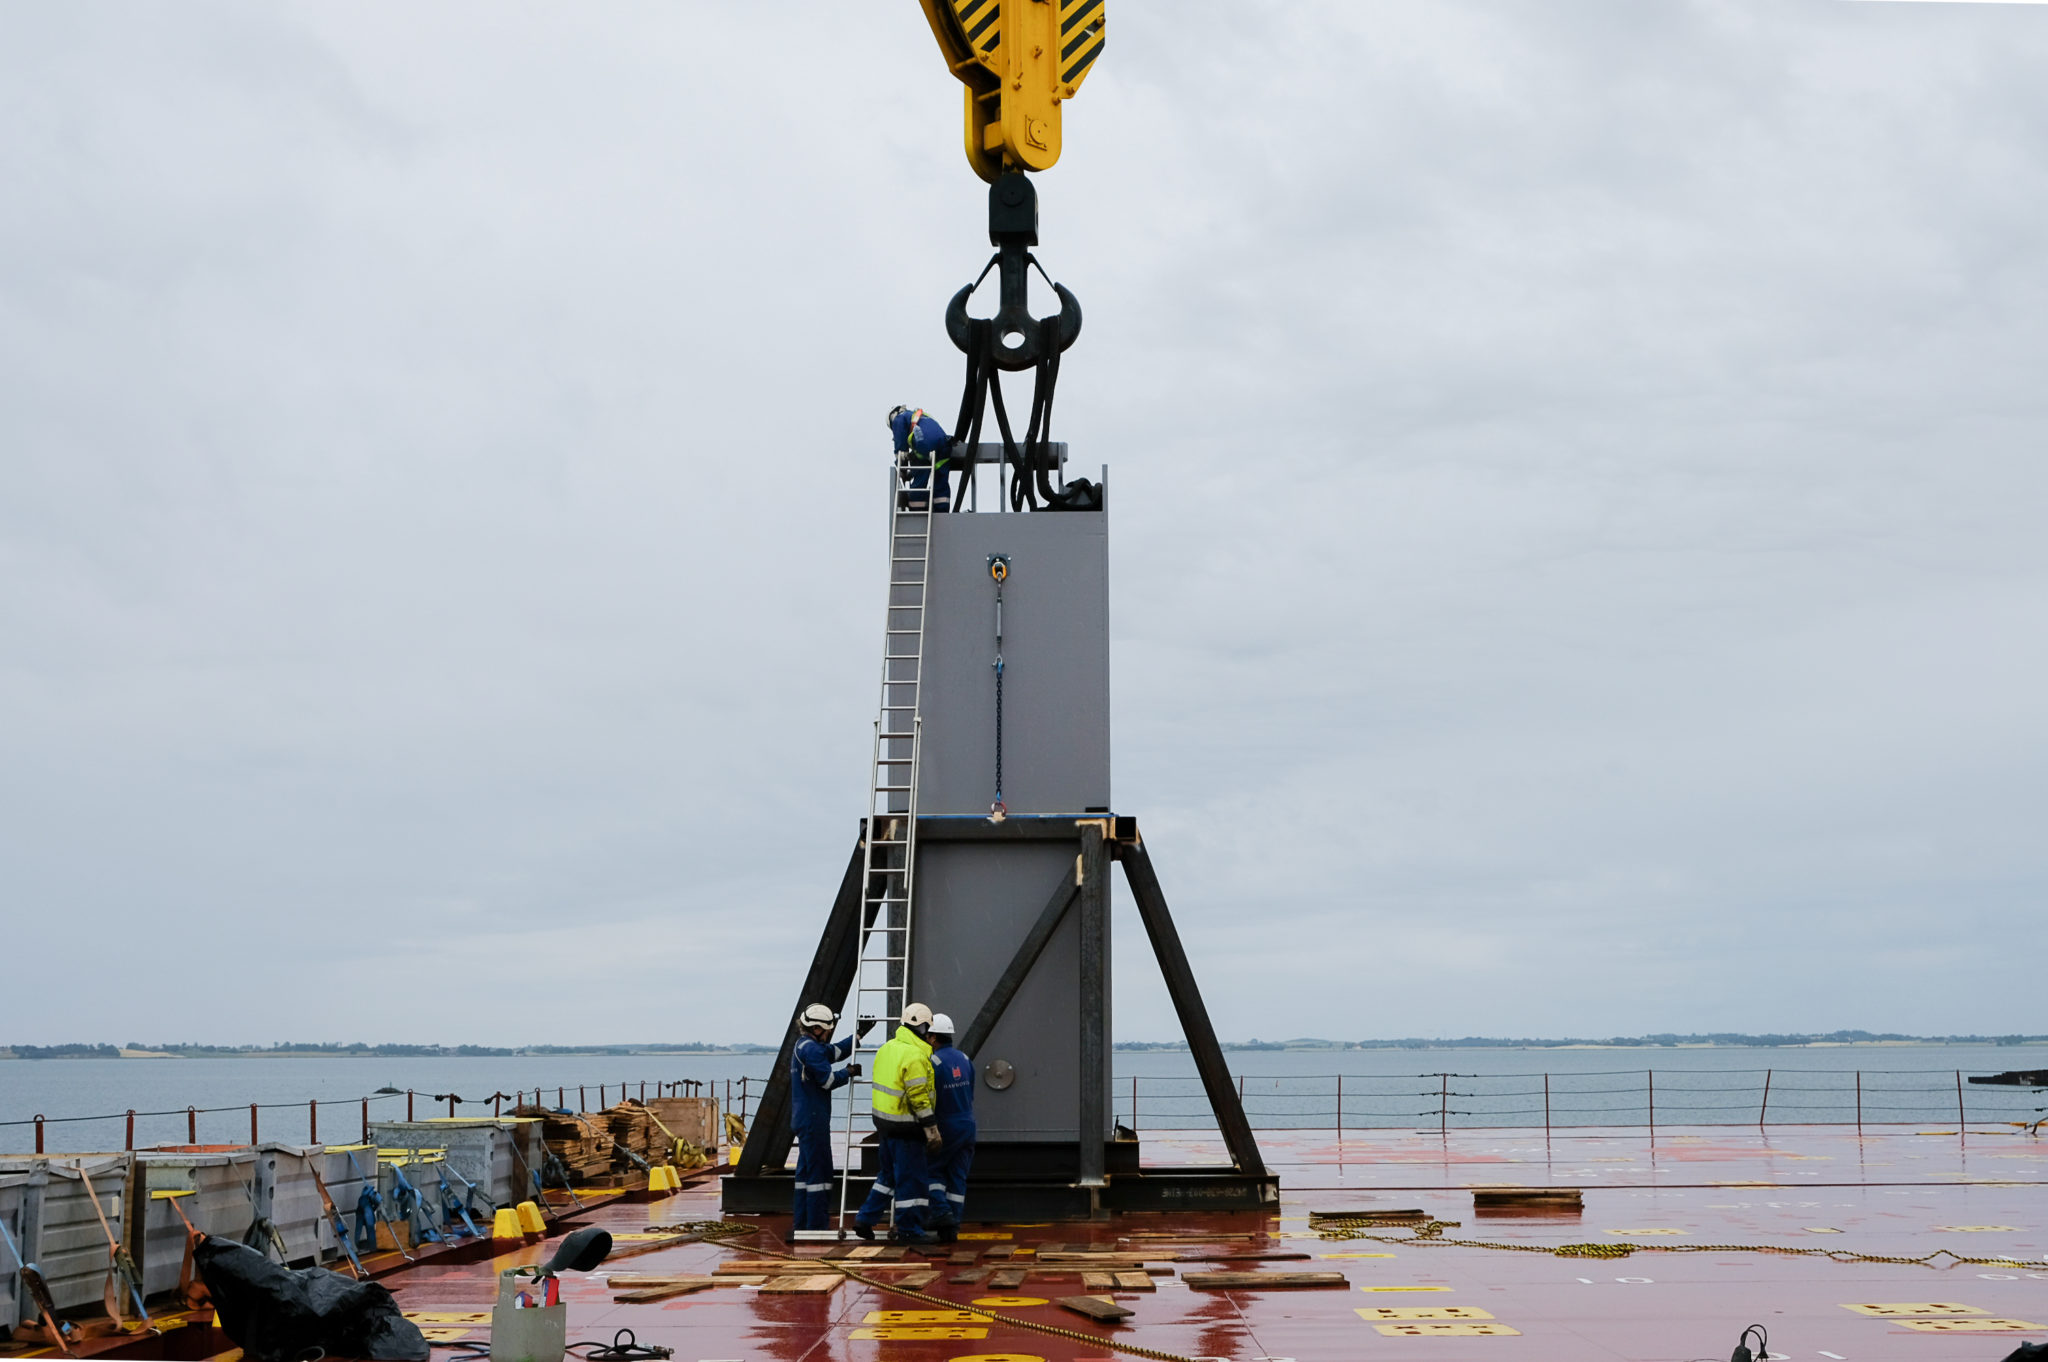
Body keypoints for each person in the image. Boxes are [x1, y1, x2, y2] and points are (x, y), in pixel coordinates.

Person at [851, 1002, 943, 1245]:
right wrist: (931, 1128)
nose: (932, 1037)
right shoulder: (915, 1055)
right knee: (911, 1181)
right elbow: (918, 1096)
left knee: (888, 1176)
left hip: (885, 1127)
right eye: (929, 1031)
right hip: (907, 1129)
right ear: (922, 1028)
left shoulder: (887, 1048)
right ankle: (910, 1230)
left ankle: (864, 1219)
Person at [788, 1003, 872, 1232]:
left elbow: (834, 1051)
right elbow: (828, 1081)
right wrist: (849, 1072)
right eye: (827, 1030)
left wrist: (858, 1035)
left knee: (805, 1173)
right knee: (820, 1173)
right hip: (813, 1119)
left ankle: (802, 1224)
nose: (829, 1034)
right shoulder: (812, 1050)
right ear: (816, 1029)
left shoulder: (805, 1045)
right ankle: (816, 1226)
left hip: (805, 1118)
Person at [923, 1013, 976, 1242]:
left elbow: (929, 1098)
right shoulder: (965, 1059)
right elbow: (970, 1092)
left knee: (930, 1171)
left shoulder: (933, 1063)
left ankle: (941, 1212)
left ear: (933, 1037)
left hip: (946, 1125)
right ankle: (951, 1228)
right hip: (967, 1125)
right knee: (957, 1177)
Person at [888, 405, 953, 511]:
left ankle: (917, 509)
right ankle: (942, 511)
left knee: (920, 471)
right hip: (944, 445)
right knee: (941, 479)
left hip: (925, 445)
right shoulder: (922, 416)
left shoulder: (899, 419)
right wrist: (910, 473)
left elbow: (901, 451)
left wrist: (903, 471)